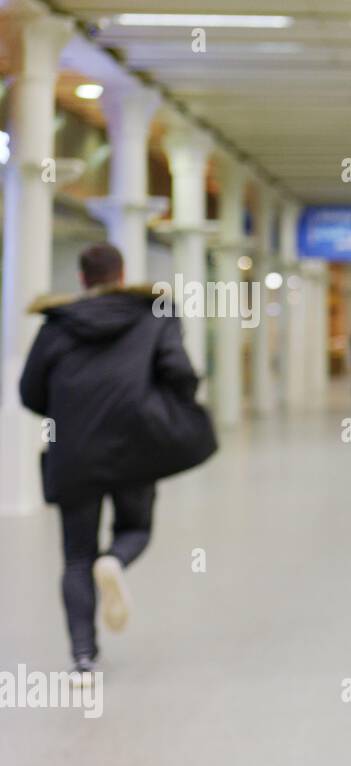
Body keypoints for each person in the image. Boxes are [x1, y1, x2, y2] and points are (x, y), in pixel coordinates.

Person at [19, 243, 217, 678]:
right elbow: (180, 372)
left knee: (75, 557)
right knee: (136, 527)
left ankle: (83, 658)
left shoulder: (56, 324)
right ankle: (116, 560)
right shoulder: (154, 314)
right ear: (122, 273)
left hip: (73, 451)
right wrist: (165, 408)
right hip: (137, 443)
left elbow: (30, 392)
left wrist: (68, 410)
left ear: (83, 278)